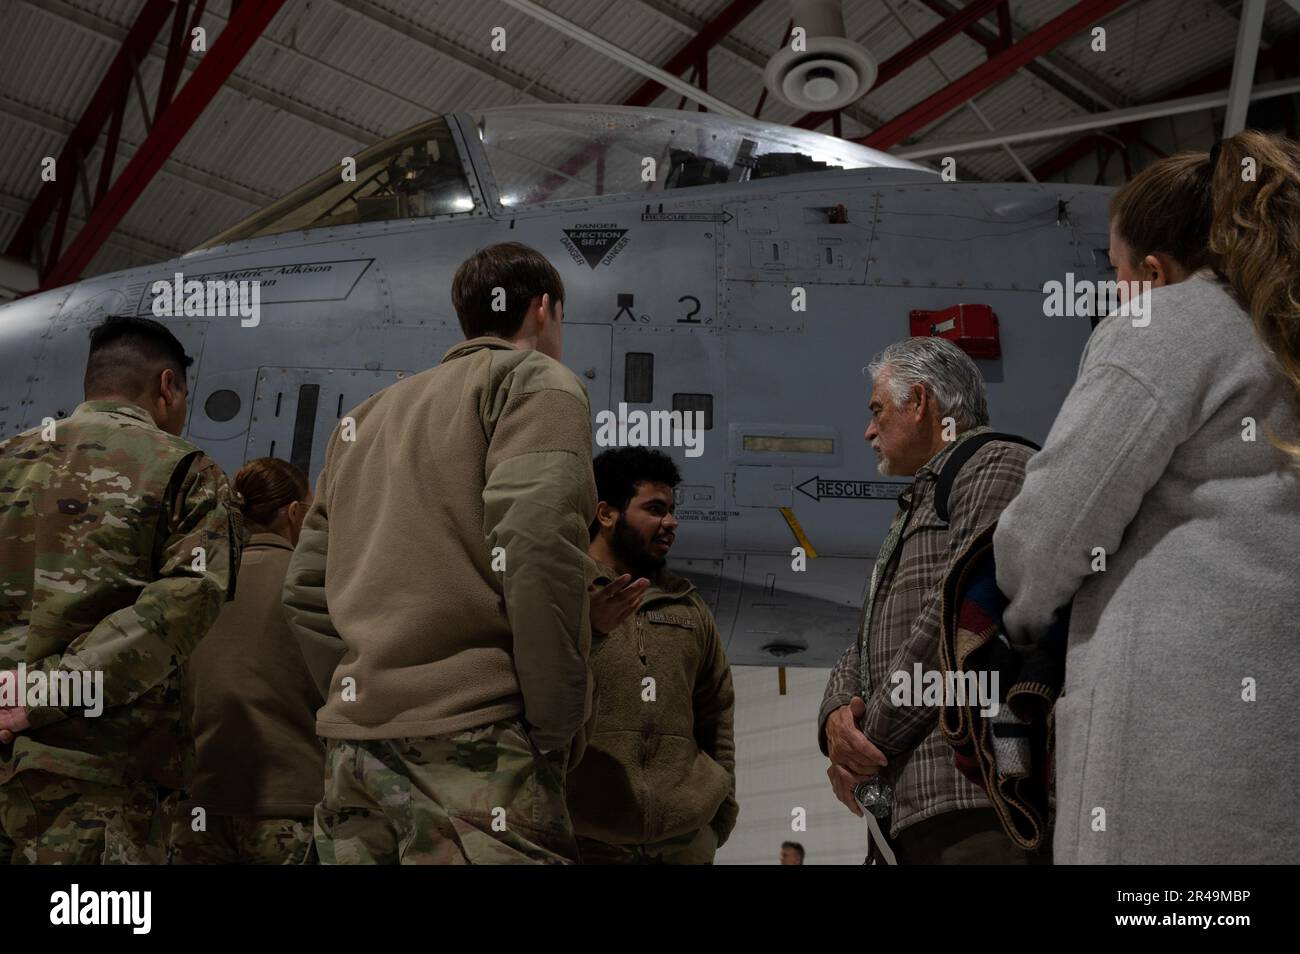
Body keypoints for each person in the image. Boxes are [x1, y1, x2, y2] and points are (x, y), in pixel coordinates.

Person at [994, 130, 1300, 864]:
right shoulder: (1282, 342)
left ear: (1154, 270)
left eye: (1118, 270)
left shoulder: (1165, 322)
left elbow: (1046, 542)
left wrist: (1018, 621)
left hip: (1174, 756)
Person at [283, 242, 598, 865]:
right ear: (543, 310)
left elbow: (303, 592)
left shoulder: (366, 418)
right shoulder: (535, 382)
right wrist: (557, 716)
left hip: (355, 758)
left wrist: (366, 695)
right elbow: (536, 547)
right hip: (475, 748)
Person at [0, 315, 240, 864]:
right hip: (94, 783)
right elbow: (182, 606)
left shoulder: (7, 458)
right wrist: (41, 695)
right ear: (166, 387)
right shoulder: (186, 471)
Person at [818, 336, 1045, 864]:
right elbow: (864, 640)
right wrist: (834, 717)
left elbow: (949, 622)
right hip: (911, 812)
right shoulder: (920, 501)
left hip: (975, 802)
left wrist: (865, 746)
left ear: (920, 403)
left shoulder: (998, 464)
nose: (869, 431)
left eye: (877, 411)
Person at [568, 447, 737, 864]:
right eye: (655, 509)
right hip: (583, 842)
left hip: (684, 845)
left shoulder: (688, 605)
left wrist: (720, 814)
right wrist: (588, 629)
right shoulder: (564, 593)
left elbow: (717, 711)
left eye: (671, 510)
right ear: (606, 514)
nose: (671, 523)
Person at [168, 458, 320, 865]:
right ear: (293, 514)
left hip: (196, 808)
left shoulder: (195, 587)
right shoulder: (314, 584)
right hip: (287, 807)